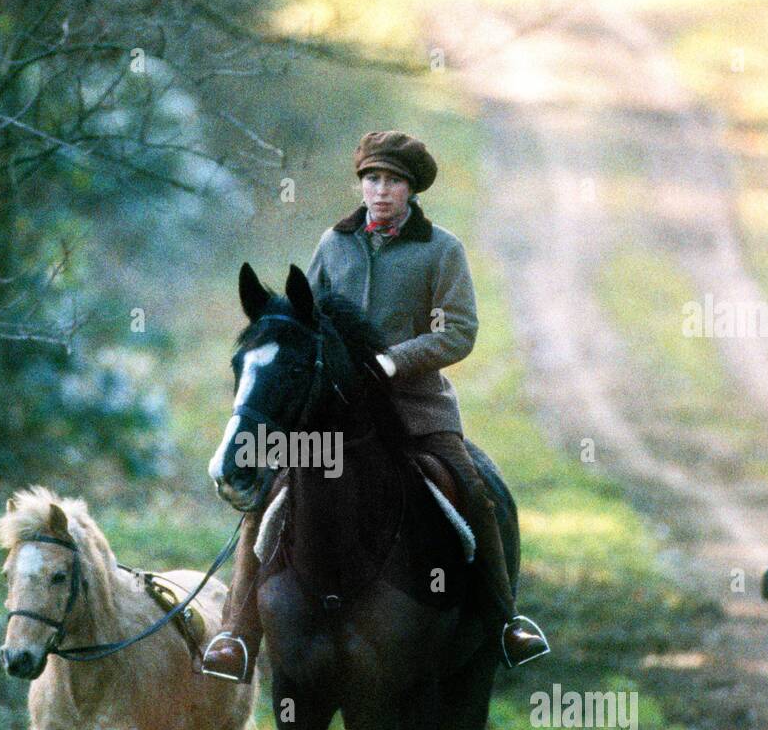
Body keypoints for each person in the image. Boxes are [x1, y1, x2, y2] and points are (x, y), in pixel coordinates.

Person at [201, 129, 550, 682]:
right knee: (266, 499)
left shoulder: (442, 251)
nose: (380, 191)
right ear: (361, 184)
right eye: (371, 179)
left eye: (392, 181)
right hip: (334, 416)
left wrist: (391, 362)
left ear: (412, 190)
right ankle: (237, 635)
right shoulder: (332, 244)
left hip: (417, 408)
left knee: (475, 491)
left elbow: (458, 331)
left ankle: (506, 622)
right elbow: (301, 320)